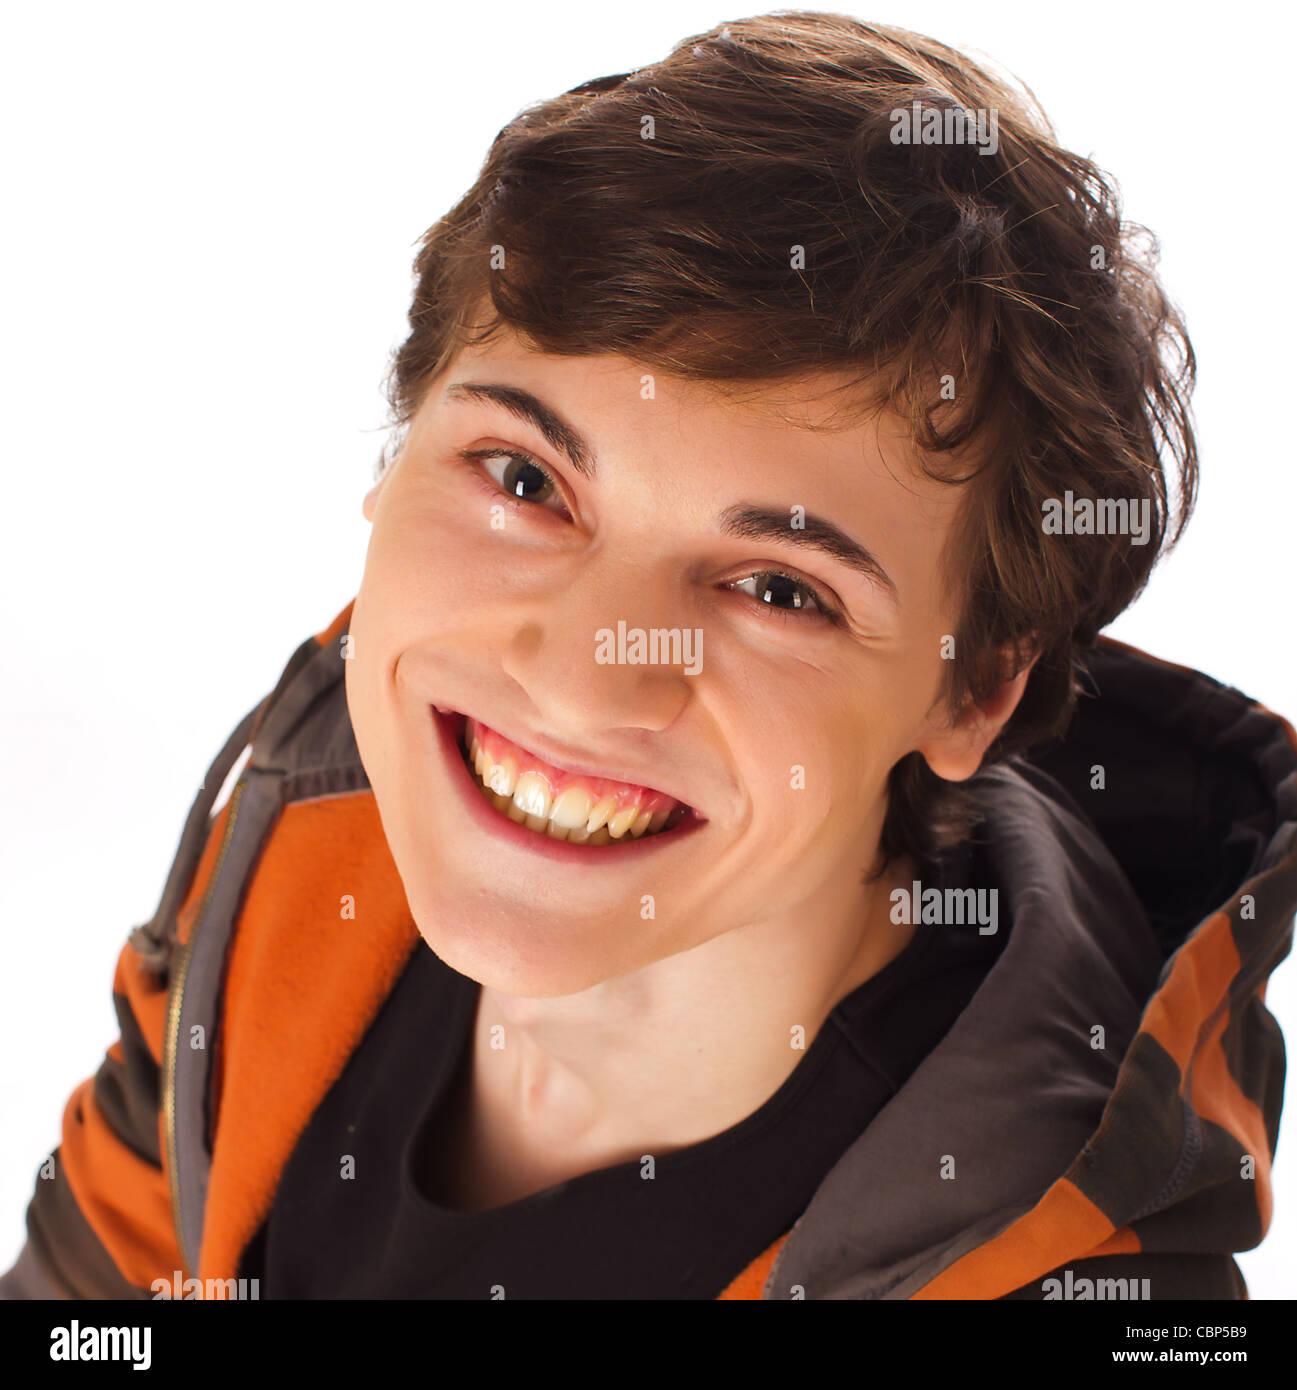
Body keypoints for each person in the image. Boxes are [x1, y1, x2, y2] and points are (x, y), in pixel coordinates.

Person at [4, 11, 1294, 1301]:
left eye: (781, 588)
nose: (576, 678)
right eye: (525, 478)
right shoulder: (298, 827)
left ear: (976, 690)